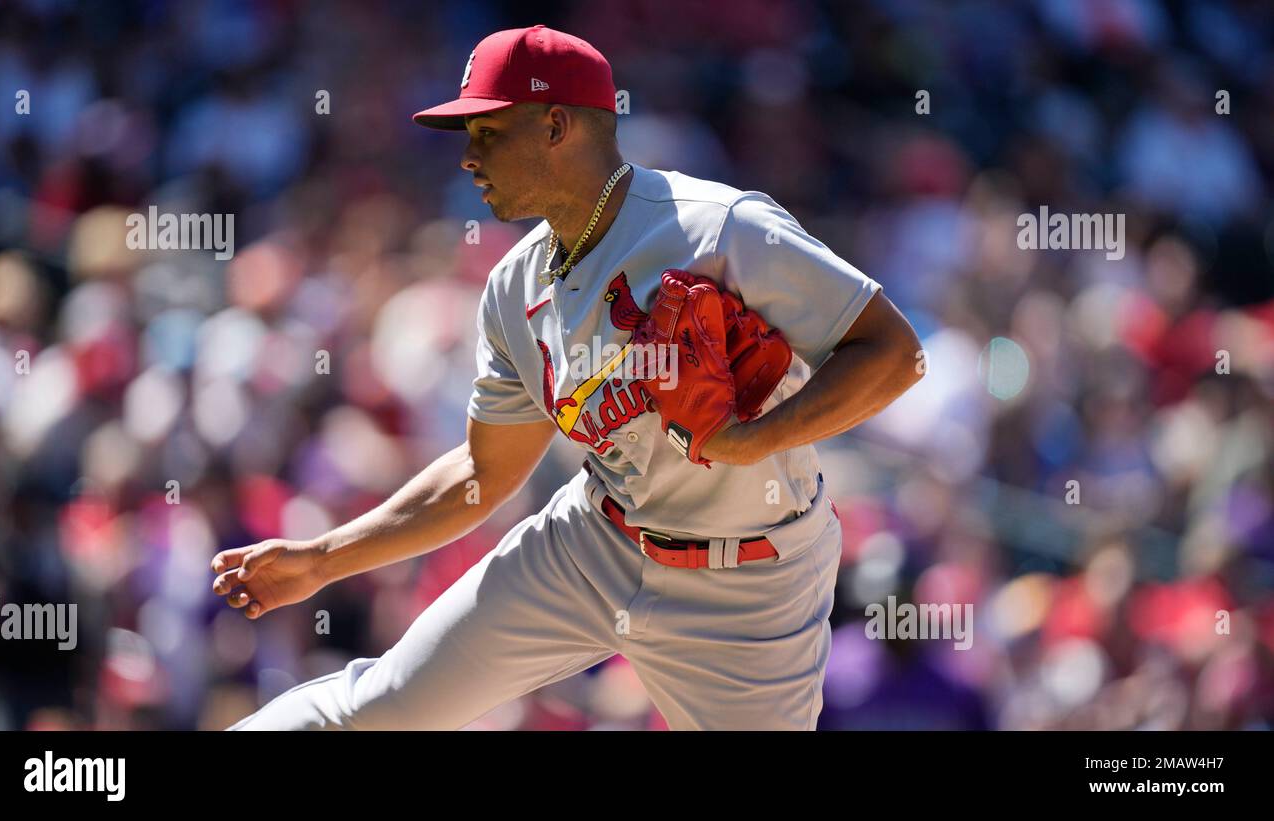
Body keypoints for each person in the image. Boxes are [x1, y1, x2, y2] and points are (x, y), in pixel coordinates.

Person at [214, 24, 924, 730]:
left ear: (556, 125)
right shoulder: (513, 285)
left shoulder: (721, 229)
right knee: (374, 709)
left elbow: (894, 353)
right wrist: (319, 561)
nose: (467, 158)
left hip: (750, 582)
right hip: (595, 543)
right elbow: (480, 475)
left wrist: (756, 438)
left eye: (487, 132)